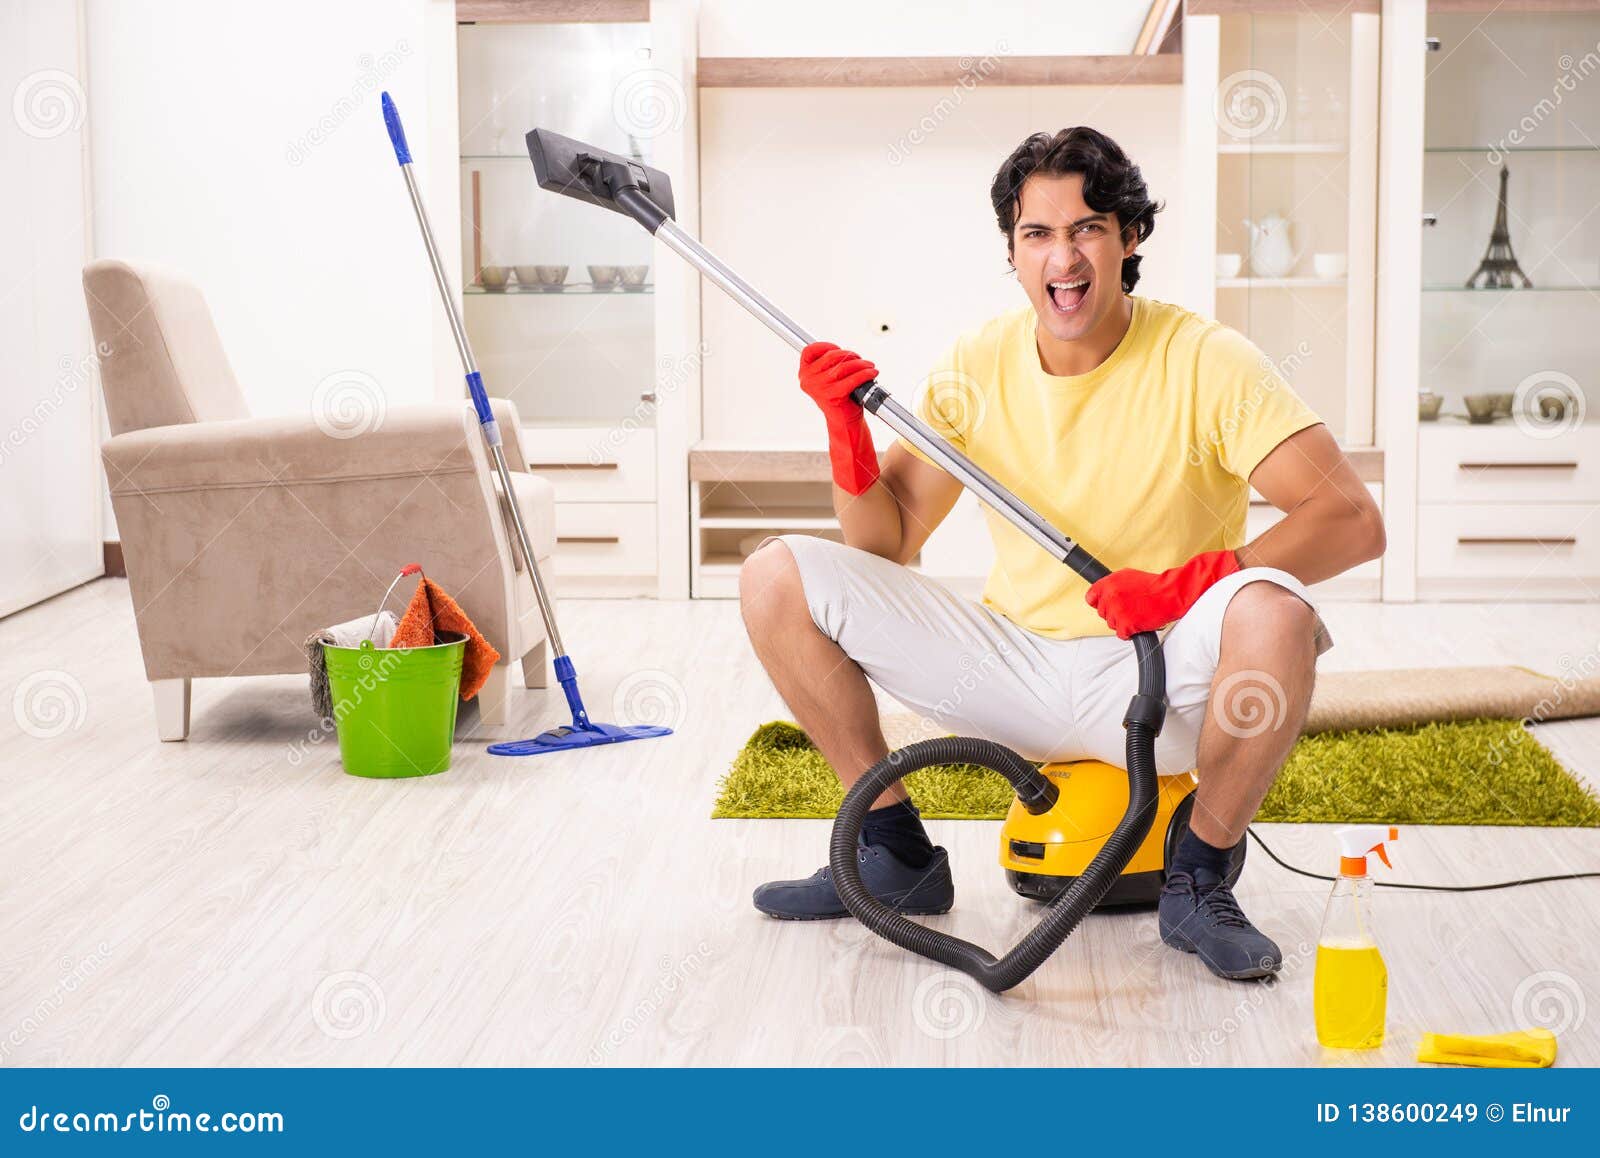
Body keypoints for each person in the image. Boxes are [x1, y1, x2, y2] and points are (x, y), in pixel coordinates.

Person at [737, 127, 1385, 981]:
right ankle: (893, 853)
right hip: (1014, 671)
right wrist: (844, 432)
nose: (1063, 256)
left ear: (1130, 237)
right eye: (1037, 233)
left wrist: (1186, 587)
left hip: (1161, 674)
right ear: (1012, 250)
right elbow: (884, 543)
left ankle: (1198, 880)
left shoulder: (1207, 360)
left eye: (1086, 228)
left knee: (1277, 610)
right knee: (775, 573)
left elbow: (1349, 518)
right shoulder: (977, 363)